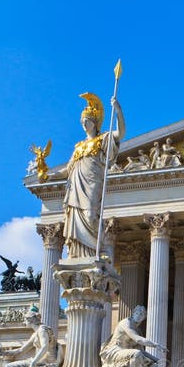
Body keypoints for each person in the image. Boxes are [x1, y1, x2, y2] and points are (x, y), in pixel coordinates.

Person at [62, 92, 126, 258]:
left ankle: (99, 250)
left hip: (92, 183)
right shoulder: (79, 147)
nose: (84, 125)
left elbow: (120, 134)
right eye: (83, 122)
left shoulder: (103, 139)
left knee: (91, 215)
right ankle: (78, 255)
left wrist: (118, 112)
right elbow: (68, 169)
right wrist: (47, 175)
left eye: (87, 121)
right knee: (77, 217)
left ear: (95, 123)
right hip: (76, 186)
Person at [100, 305, 168, 367]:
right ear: (133, 313)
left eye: (142, 314)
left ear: (144, 318)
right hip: (114, 352)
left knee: (153, 364)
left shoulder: (138, 330)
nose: (139, 316)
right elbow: (137, 339)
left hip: (125, 353)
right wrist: (156, 345)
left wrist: (156, 360)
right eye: (137, 313)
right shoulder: (126, 323)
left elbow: (142, 351)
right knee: (136, 354)